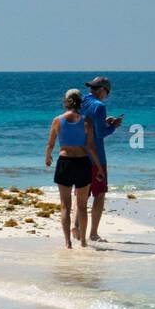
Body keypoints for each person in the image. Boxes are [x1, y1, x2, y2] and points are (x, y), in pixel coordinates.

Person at [44, 89, 102, 249]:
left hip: (65, 163)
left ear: (66, 101)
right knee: (82, 206)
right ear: (80, 102)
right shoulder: (86, 121)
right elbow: (90, 146)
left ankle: (68, 243)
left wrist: (48, 157)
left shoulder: (57, 120)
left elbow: (50, 144)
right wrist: (99, 168)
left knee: (65, 206)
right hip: (82, 163)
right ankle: (83, 241)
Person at [79, 76, 123, 242]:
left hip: (80, 155)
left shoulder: (81, 102)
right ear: (103, 90)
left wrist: (104, 122)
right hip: (96, 158)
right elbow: (100, 133)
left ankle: (77, 229)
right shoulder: (100, 106)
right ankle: (93, 233)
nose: (106, 96)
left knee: (81, 197)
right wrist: (113, 126)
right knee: (99, 194)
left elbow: (86, 125)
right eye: (107, 93)